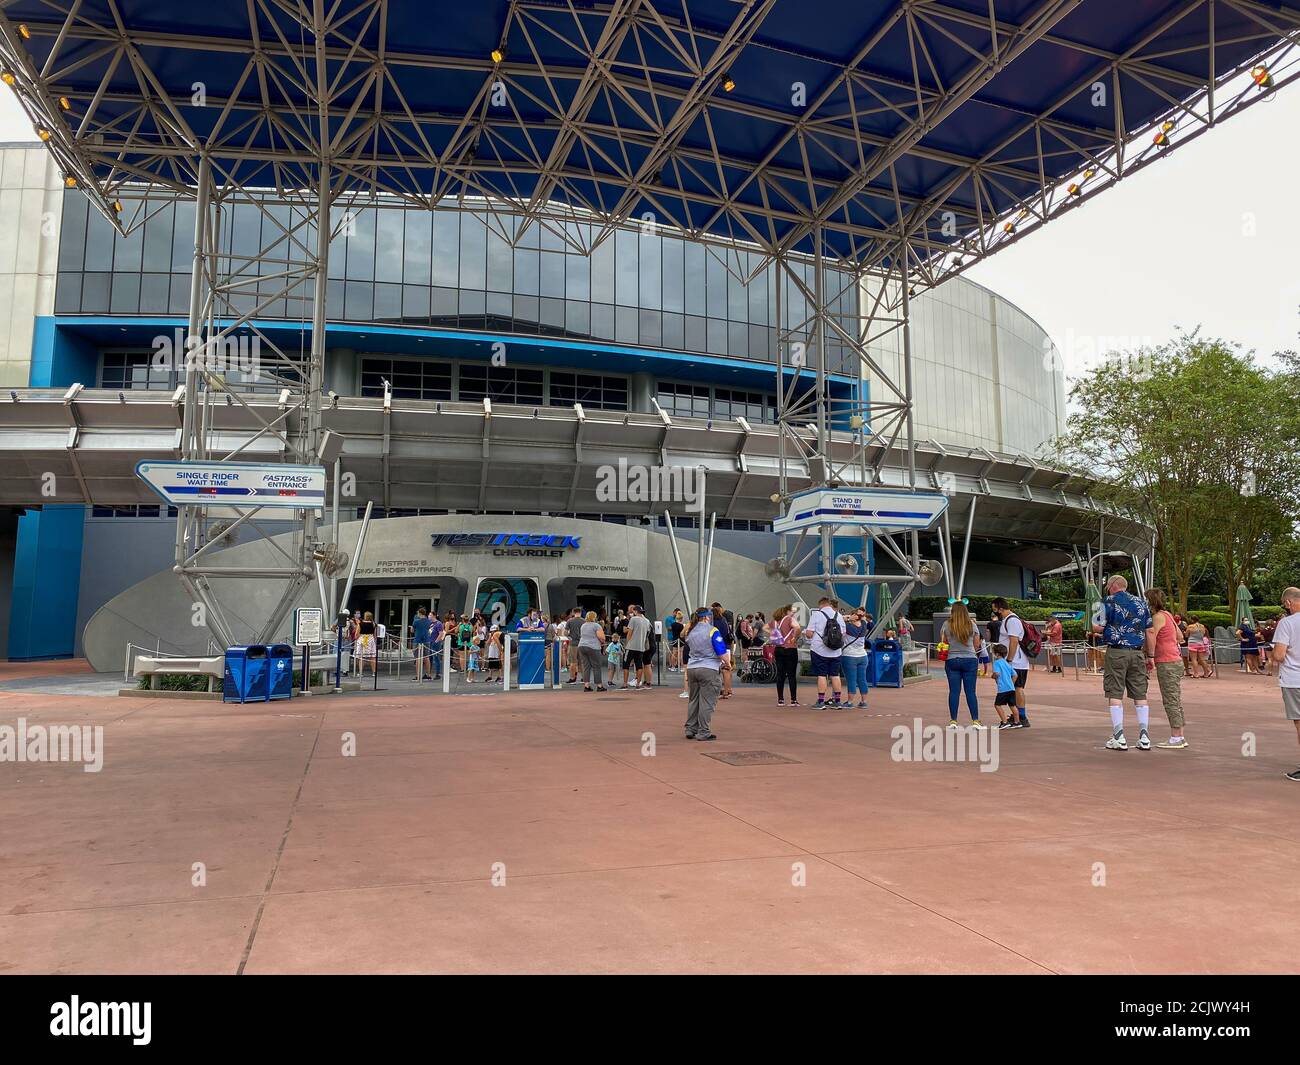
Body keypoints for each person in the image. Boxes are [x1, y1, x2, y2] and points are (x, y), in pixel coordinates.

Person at [1094, 575, 1155, 751]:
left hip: (1116, 652)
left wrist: (1109, 627)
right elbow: (1149, 631)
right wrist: (1150, 656)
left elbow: (1096, 627)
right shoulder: (1141, 603)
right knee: (1140, 694)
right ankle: (1144, 736)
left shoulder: (1106, 601)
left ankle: (1119, 736)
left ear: (1113, 586)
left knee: (1115, 692)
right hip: (1137, 653)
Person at [1144, 588, 1187, 748]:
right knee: (1175, 698)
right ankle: (1180, 735)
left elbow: (1151, 638)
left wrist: (1151, 656)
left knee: (1170, 700)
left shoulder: (1156, 617)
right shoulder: (1168, 614)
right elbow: (1180, 636)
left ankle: (1176, 737)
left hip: (1166, 661)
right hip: (1176, 659)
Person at [684, 606, 731, 740]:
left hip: (692, 668)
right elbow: (720, 650)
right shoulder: (712, 631)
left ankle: (690, 728)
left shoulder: (691, 631)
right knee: (707, 701)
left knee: (693, 699)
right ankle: (703, 731)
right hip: (708, 668)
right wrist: (728, 664)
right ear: (707, 617)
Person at [1270, 587, 1300, 781]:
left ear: (1288, 603)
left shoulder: (1287, 623)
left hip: (1294, 678)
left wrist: (1273, 653)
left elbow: (1279, 655)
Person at [940, 601, 983, 728]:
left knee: (954, 691)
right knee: (970, 692)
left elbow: (943, 641)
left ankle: (953, 720)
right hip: (970, 659)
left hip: (952, 659)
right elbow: (976, 644)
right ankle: (975, 720)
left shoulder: (946, 624)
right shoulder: (972, 625)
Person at [991, 597, 1030, 727]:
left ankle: (1022, 717)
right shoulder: (1009, 620)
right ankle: (1018, 716)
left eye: (995, 609)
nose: (995, 612)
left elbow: (1013, 641)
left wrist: (1009, 660)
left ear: (1001, 608)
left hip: (1016, 662)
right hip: (1016, 661)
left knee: (1017, 688)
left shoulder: (1012, 621)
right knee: (1014, 689)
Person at [806, 596, 847, 709]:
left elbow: (809, 633)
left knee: (822, 675)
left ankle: (821, 701)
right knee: (835, 675)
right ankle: (837, 701)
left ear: (821, 605)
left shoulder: (817, 615)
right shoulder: (838, 615)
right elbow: (843, 633)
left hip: (819, 649)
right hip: (836, 651)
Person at [771, 604, 802, 707]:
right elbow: (797, 628)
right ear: (787, 611)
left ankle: (780, 699)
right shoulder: (790, 619)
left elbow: (766, 628)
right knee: (791, 675)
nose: (793, 613)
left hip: (778, 649)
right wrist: (795, 637)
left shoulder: (776, 622)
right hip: (790, 648)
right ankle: (793, 700)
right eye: (792, 611)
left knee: (780, 674)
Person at [840, 607, 870, 710]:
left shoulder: (847, 626)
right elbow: (863, 618)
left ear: (853, 616)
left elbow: (838, 619)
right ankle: (864, 701)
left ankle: (849, 702)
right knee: (862, 679)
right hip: (863, 656)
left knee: (851, 680)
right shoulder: (864, 624)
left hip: (849, 656)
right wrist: (859, 615)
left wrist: (848, 618)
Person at [624, 604, 653, 690]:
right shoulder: (647, 621)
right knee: (639, 665)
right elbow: (647, 633)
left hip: (631, 646)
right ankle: (638, 684)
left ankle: (625, 684)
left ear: (635, 611)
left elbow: (630, 633)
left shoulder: (633, 619)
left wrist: (627, 644)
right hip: (641, 647)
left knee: (626, 664)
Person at [578, 610, 606, 692]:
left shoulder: (583, 625)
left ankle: (586, 686)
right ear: (594, 617)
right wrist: (603, 642)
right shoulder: (596, 625)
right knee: (596, 666)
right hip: (593, 647)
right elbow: (602, 637)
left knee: (586, 666)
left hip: (582, 645)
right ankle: (599, 686)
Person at [991, 644, 1018, 728]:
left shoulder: (996, 663)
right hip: (1011, 688)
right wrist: (1011, 684)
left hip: (1003, 689)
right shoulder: (1007, 663)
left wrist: (993, 676)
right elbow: (1015, 675)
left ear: (997, 653)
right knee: (1012, 705)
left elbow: (997, 674)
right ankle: (1017, 722)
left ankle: (1005, 722)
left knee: (997, 705)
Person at [711, 603, 734, 699]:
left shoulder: (713, 623)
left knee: (717, 670)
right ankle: (728, 690)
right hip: (727, 646)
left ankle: (719, 690)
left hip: (718, 647)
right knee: (727, 669)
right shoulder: (724, 620)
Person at [410, 606, 432, 681]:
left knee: (418, 658)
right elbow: (430, 629)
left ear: (419, 613)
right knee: (427, 658)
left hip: (418, 640)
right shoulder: (429, 621)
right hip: (426, 640)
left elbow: (412, 630)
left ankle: (418, 675)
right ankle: (428, 674)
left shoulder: (416, 621)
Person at [355, 610, 378, 676]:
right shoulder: (373, 624)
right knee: (372, 657)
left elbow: (357, 634)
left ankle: (361, 672)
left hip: (362, 639)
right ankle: (374, 672)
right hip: (371, 640)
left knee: (361, 657)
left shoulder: (360, 624)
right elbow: (375, 635)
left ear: (365, 616)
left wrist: (356, 639)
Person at [565, 608, 584, 684]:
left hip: (573, 644)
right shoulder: (584, 621)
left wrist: (569, 635)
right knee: (582, 662)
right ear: (580, 612)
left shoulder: (570, 621)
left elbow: (565, 633)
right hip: (582, 643)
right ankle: (584, 678)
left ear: (573, 612)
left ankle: (572, 678)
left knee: (573, 662)